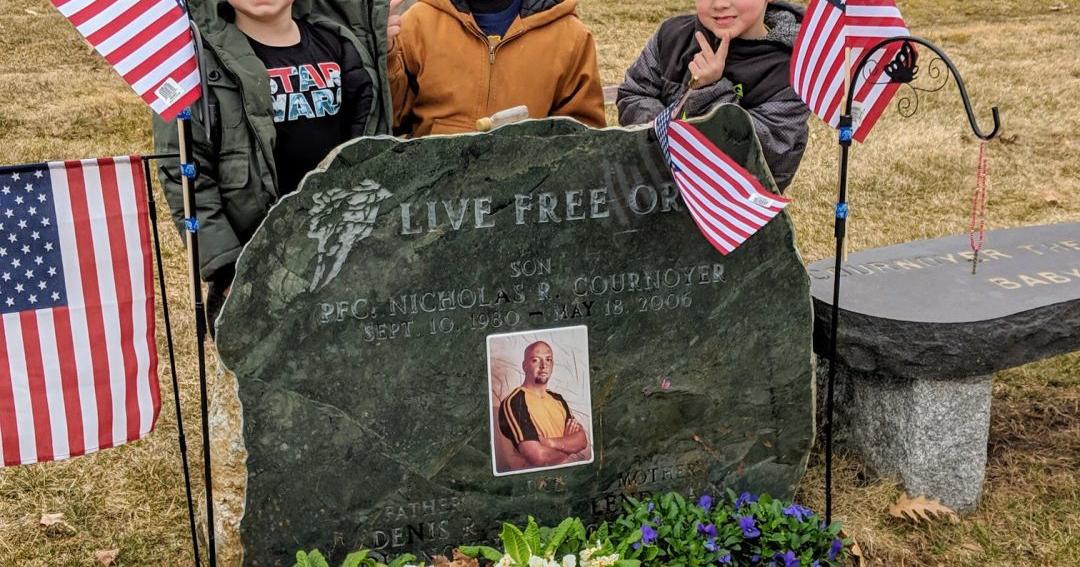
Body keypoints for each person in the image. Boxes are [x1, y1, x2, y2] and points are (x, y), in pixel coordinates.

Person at [152, 0, 389, 332]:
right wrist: (226, 270)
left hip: (343, 252)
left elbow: (371, 143)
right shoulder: (199, 65)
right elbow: (187, 176)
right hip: (258, 265)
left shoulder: (342, 45)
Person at [616, 0, 810, 190]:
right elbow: (634, 93)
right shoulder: (672, 36)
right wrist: (664, 133)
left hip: (737, 207)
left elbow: (770, 152)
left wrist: (711, 90)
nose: (720, 4)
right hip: (660, 191)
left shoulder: (791, 69)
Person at [386, 0, 606, 137]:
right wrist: (383, 54)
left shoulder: (569, 36)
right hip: (434, 197)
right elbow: (390, 122)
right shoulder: (416, 24)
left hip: (525, 200)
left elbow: (583, 143)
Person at [498, 341, 589, 467]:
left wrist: (551, 443)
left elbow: (582, 440)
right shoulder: (515, 401)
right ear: (524, 366)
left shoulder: (558, 399)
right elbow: (539, 458)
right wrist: (569, 446)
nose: (543, 366)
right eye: (535, 360)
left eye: (548, 359)